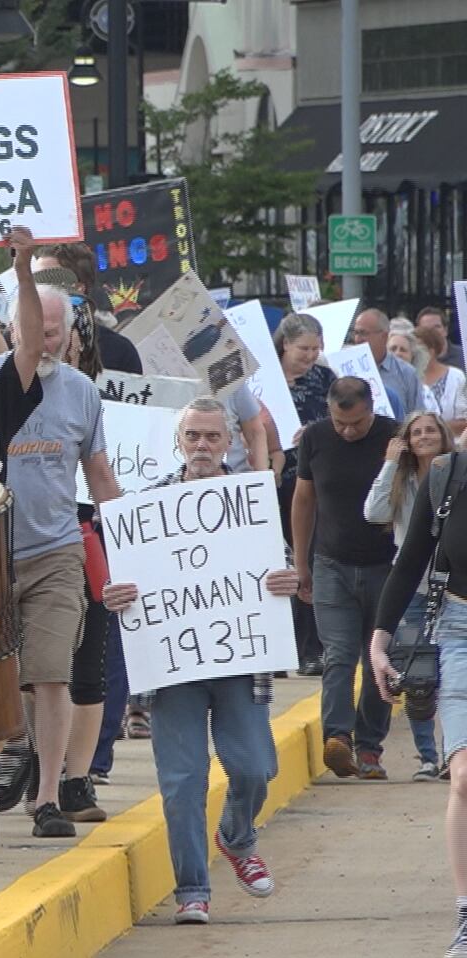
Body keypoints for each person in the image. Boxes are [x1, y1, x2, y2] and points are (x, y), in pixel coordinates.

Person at [103, 397, 298, 926]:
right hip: (173, 669)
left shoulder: (251, 501)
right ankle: (192, 890)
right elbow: (121, 581)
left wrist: (287, 579)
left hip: (240, 663)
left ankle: (236, 837)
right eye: (193, 436)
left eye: (213, 436)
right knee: (182, 781)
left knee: (256, 768)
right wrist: (114, 594)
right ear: (178, 442)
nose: (202, 446)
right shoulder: (146, 507)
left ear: (229, 442)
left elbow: (278, 566)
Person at [0, 228, 123, 847]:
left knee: (53, 675)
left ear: (71, 332)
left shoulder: (82, 391)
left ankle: (48, 797)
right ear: (16, 326)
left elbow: (99, 474)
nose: (45, 341)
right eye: (36, 330)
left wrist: (141, 540)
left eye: (55, 332)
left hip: (56, 551)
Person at [370, 436, 467, 958]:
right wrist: (380, 641)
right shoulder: (448, 475)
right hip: (459, 629)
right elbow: (410, 562)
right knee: (464, 778)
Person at [293, 376, 400, 780]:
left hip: (385, 568)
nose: (348, 431)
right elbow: (304, 500)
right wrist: (301, 563)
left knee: (378, 660)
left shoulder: (394, 436)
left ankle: (370, 747)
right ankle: (337, 738)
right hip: (331, 564)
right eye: (340, 423)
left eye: (356, 423)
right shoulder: (315, 438)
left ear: (371, 408)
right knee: (338, 654)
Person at [364, 409, 453, 779]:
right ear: (407, 441)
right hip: (412, 591)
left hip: (455, 589)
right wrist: (389, 464)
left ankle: (453, 754)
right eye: (416, 432)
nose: (424, 437)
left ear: (443, 435)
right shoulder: (402, 480)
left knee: (454, 674)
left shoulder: (456, 475)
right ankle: (428, 757)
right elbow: (373, 513)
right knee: (417, 676)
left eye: (431, 430)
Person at [273, 313, 334, 677]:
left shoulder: (325, 379)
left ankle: (310, 649)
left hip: (311, 482)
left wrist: (315, 430)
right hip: (270, 482)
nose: (311, 356)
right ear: (285, 344)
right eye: (304, 348)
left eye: (316, 348)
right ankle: (277, 650)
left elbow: (343, 419)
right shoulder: (260, 378)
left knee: (306, 562)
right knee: (274, 564)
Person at [33, 242, 142, 374]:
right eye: (33, 282)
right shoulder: (18, 342)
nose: (37, 291)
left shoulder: (119, 351)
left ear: (78, 288)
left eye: (47, 282)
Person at [350, 307, 429, 418]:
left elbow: (417, 417)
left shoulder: (406, 373)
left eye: (363, 333)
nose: (358, 339)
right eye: (356, 333)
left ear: (384, 336)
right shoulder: (346, 369)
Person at [406, 325, 467, 435]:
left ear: (432, 350)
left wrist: (435, 430)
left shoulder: (456, 376)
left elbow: (464, 421)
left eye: (419, 349)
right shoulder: (409, 379)